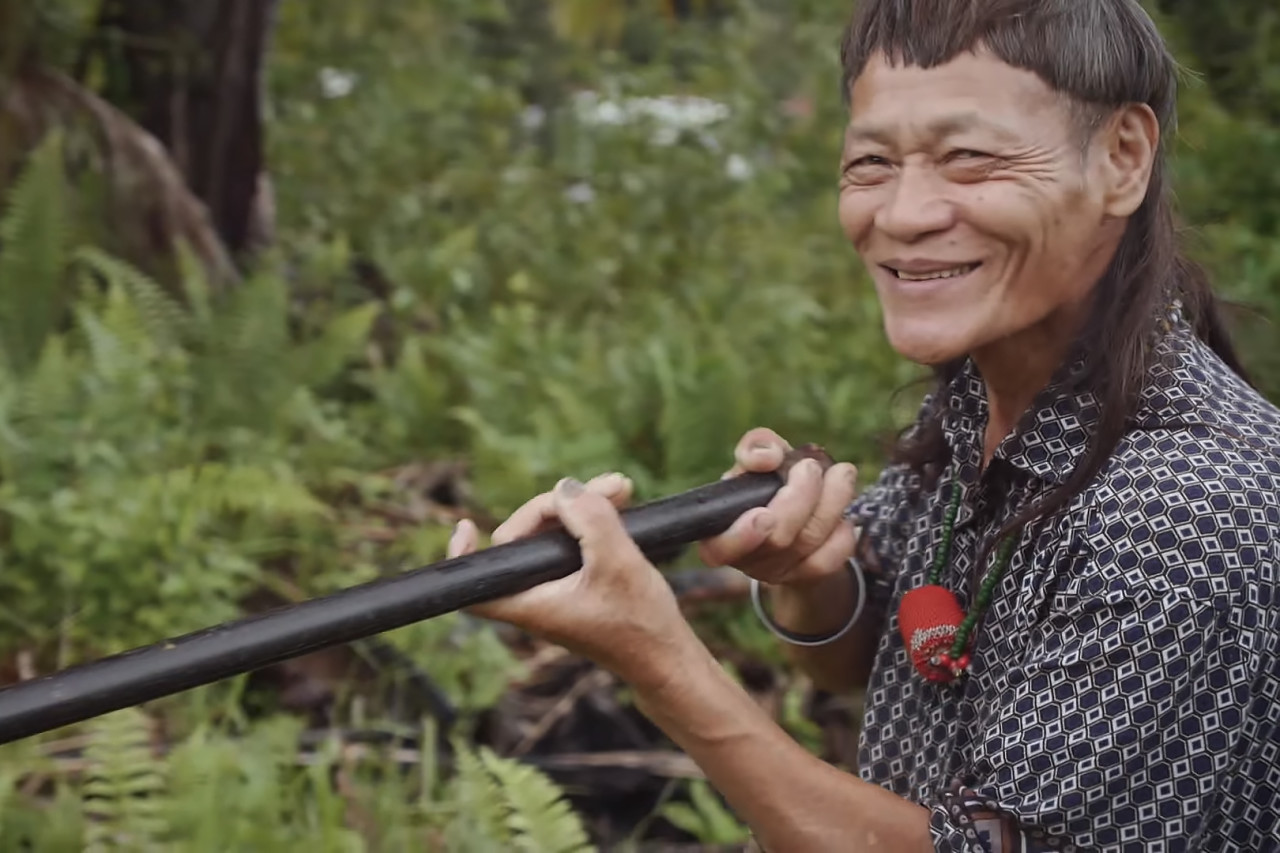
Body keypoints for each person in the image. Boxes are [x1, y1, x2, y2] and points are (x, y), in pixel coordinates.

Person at [446, 1, 1280, 849]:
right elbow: (873, 659)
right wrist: (811, 575)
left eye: (969, 158)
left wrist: (656, 656)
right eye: (872, 162)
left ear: (1121, 158)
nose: (904, 214)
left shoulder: (1188, 512)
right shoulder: (982, 401)